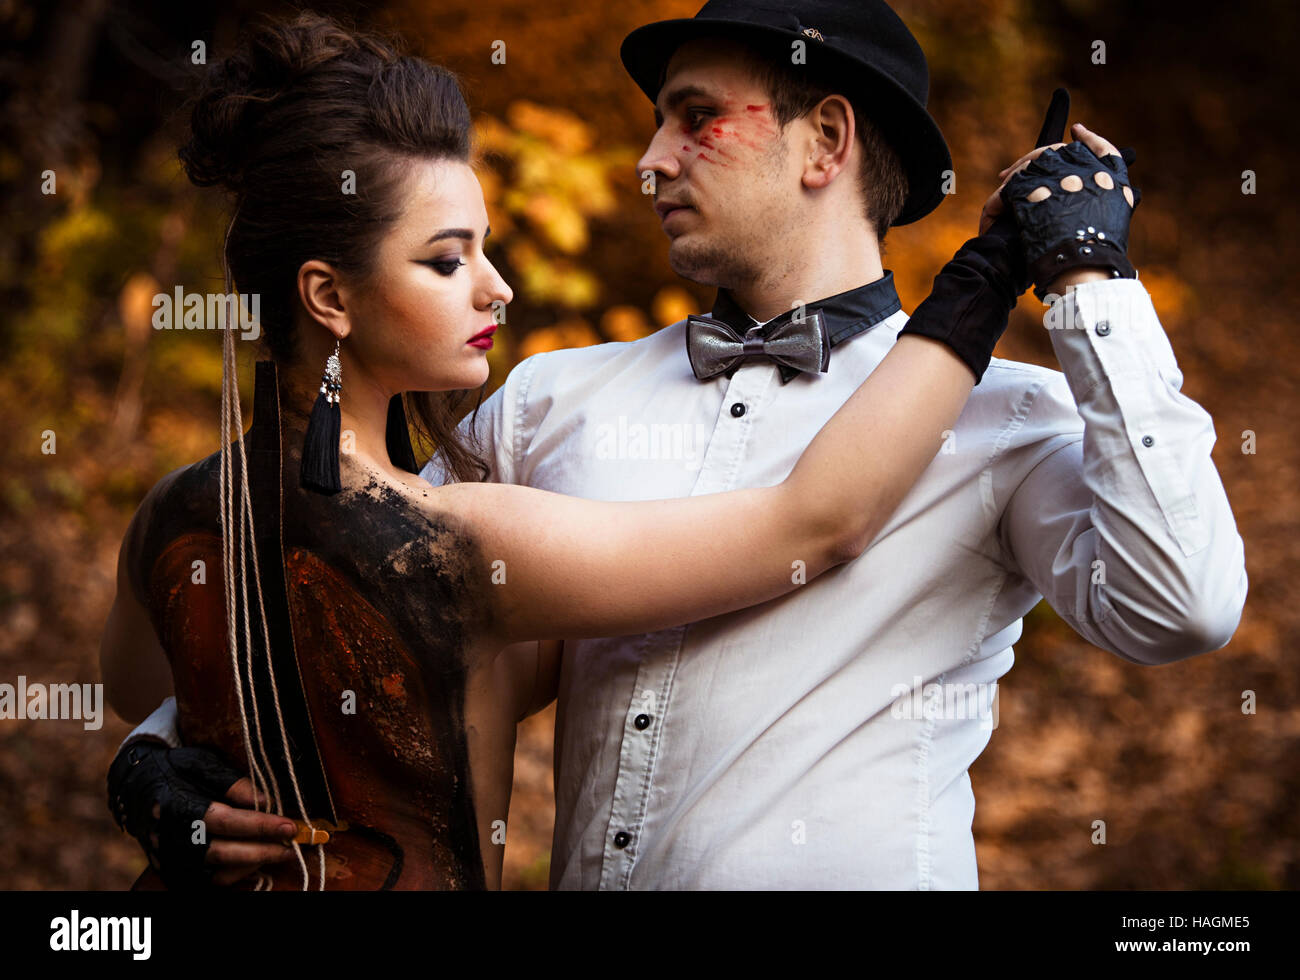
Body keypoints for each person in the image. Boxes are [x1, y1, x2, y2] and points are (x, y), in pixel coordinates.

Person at [111, 0, 1247, 890]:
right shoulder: (547, 401)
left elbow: (1180, 608)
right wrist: (162, 759)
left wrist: (1090, 283)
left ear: (827, 141)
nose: (647, 159)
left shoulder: (1002, 413)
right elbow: (358, 596)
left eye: (692, 115)